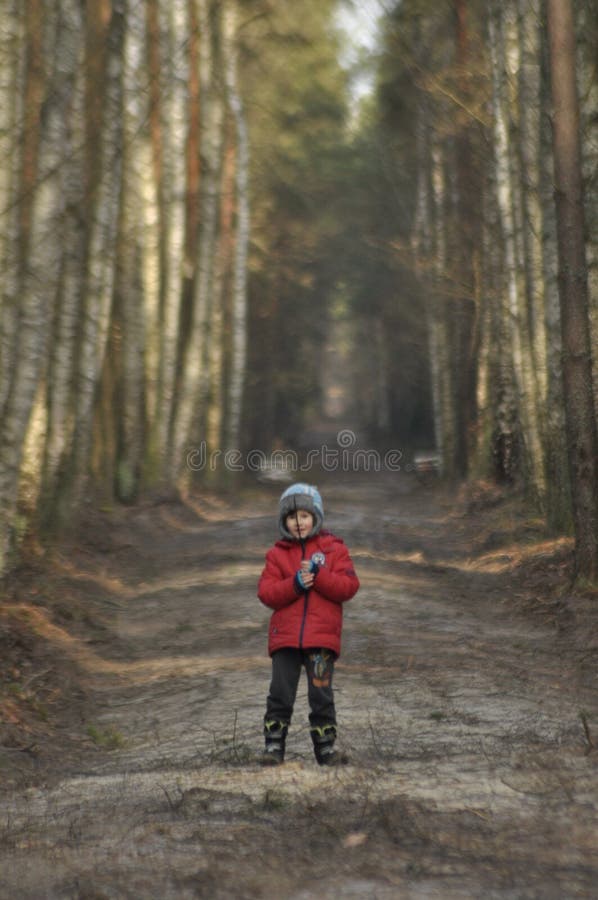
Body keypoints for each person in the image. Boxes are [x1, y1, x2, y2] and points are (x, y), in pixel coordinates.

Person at [257, 482, 359, 766]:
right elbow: (266, 593)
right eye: (291, 517)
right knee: (280, 693)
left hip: (321, 641)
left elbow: (348, 587)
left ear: (316, 517)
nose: (298, 523)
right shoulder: (277, 555)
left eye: (304, 516)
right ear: (283, 521)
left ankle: (325, 748)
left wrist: (320, 575)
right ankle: (273, 747)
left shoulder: (334, 550)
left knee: (321, 694)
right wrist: (296, 585)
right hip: (285, 641)